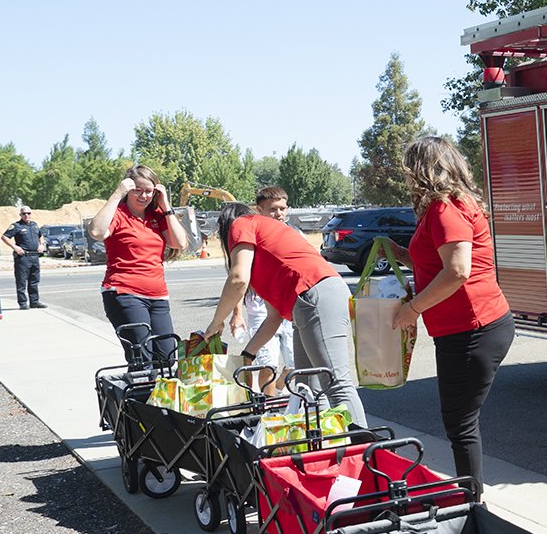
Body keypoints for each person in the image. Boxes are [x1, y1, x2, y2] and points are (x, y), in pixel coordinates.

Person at [387, 137, 516, 494]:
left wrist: (411, 310)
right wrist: (399, 253)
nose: (407, 179)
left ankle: (473, 508)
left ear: (422, 170)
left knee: (460, 425)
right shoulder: (448, 206)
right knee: (460, 422)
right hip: (467, 328)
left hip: (472, 329)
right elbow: (437, 264)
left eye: (409, 171)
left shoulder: (446, 208)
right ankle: (471, 503)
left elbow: (457, 270)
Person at [200, 202, 366, 428]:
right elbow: (274, 316)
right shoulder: (268, 234)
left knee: (335, 384)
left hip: (314, 295)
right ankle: (328, 448)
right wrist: (249, 354)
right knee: (309, 388)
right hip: (313, 298)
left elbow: (238, 279)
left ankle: (364, 454)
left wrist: (215, 323)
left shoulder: (241, 223)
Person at [89, 165, 189, 370]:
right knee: (142, 360)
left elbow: (180, 243)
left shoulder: (156, 217)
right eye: (138, 190)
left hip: (158, 297)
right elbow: (97, 231)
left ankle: (157, 401)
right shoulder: (118, 214)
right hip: (125, 293)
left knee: (167, 358)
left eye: (149, 191)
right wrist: (117, 193)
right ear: (128, 190)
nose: (144, 195)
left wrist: (165, 205)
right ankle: (137, 401)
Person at [228, 186, 295, 395]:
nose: (279, 214)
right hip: (261, 311)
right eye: (273, 209)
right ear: (259, 210)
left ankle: (277, 393)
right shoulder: (251, 236)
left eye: (283, 209)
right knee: (268, 364)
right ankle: (270, 407)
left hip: (290, 310)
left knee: (295, 365)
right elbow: (238, 280)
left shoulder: (294, 234)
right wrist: (237, 313)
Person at [2, 208, 47, 310]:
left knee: (34, 280)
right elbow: (4, 237)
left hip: (34, 256)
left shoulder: (34, 225)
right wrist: (15, 247)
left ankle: (34, 302)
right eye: (24, 213)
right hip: (23, 257)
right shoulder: (16, 226)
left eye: (28, 213)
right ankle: (23, 303)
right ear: (20, 215)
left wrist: (42, 245)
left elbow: (41, 236)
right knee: (21, 281)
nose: (26, 215)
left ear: (31, 214)